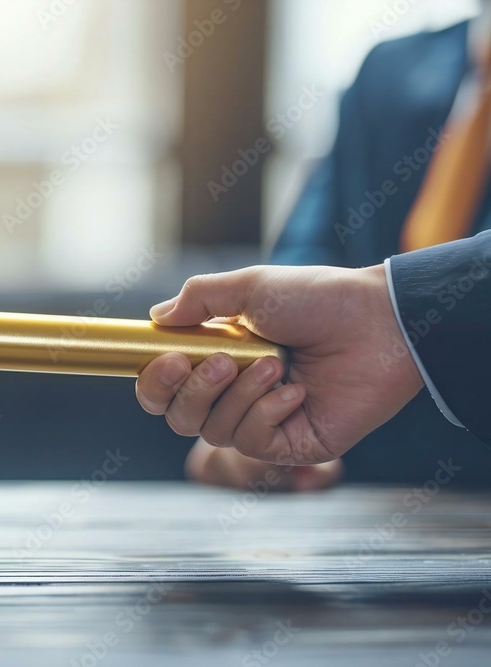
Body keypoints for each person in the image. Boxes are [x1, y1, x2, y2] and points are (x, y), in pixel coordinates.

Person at [150, 8, 491, 490]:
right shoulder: (389, 69)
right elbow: (309, 258)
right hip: (360, 496)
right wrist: (273, 392)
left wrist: (392, 311)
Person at [135, 231, 491, 469]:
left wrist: (384, 308)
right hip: (346, 503)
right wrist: (265, 404)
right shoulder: (368, 116)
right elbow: (302, 258)